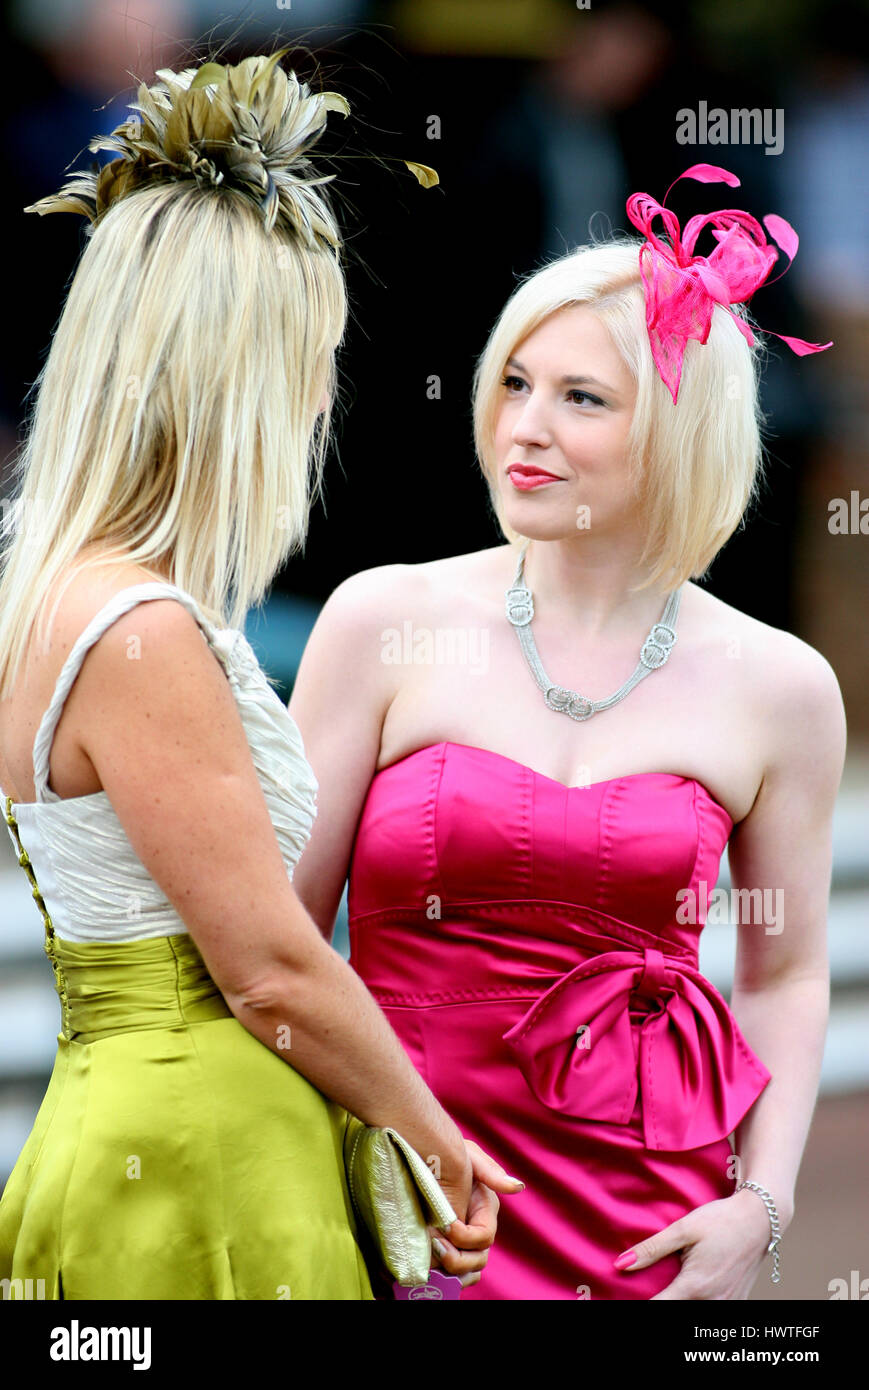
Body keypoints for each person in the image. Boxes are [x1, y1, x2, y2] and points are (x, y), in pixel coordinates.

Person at [0, 50, 522, 1301]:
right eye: (308, 355)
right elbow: (270, 968)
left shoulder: (47, 594)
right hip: (204, 1150)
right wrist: (436, 1139)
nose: (321, 395)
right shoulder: (137, 626)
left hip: (115, 1115)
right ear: (240, 374)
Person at [288, 165, 846, 1299]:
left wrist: (759, 1210)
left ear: (677, 428)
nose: (521, 431)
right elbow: (277, 936)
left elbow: (784, 973)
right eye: (513, 385)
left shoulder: (781, 685)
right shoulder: (382, 619)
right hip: (402, 1204)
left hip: (642, 1229)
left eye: (581, 399)